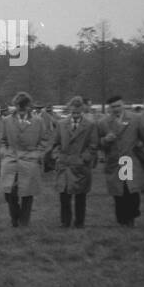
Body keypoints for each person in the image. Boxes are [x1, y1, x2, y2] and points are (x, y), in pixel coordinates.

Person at [98, 94, 144, 227]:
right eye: (113, 107)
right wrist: (105, 141)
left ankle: (131, 216)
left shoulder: (136, 119)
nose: (116, 109)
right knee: (118, 192)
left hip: (130, 160)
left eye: (118, 105)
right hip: (114, 162)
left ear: (123, 104)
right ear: (109, 108)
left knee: (131, 190)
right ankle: (122, 219)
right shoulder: (103, 122)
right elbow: (98, 143)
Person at [0, 91, 51, 227]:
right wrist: (4, 152)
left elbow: (44, 140)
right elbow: (3, 140)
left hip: (29, 159)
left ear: (29, 107)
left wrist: (38, 154)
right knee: (9, 191)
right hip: (11, 159)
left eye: (24, 107)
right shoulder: (7, 120)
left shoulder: (38, 121)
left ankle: (24, 221)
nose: (21, 111)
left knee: (28, 192)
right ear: (15, 106)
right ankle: (14, 217)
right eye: (18, 107)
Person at [47, 96, 98, 228]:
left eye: (78, 112)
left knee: (80, 196)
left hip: (81, 166)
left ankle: (79, 222)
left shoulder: (90, 125)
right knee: (64, 196)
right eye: (73, 112)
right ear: (70, 110)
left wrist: (83, 159)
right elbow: (56, 143)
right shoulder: (61, 124)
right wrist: (57, 156)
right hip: (64, 165)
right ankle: (65, 222)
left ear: (82, 110)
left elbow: (93, 146)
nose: (75, 115)